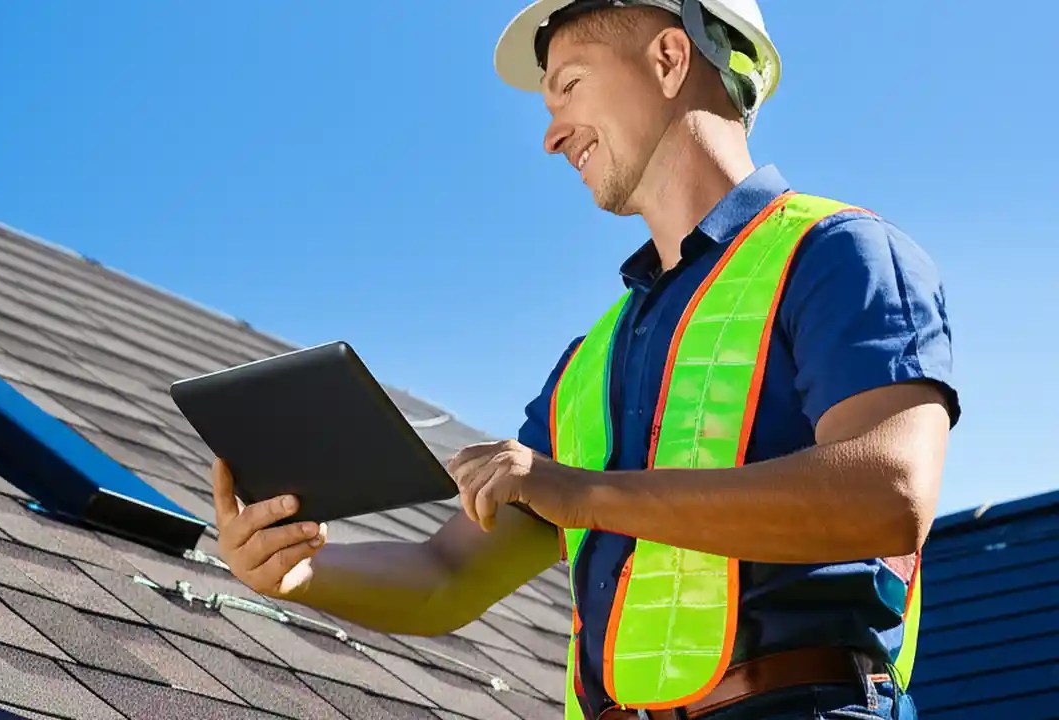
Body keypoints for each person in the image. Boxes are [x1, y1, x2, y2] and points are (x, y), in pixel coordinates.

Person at [211, 1, 958, 718]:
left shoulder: (836, 254)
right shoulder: (590, 361)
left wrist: (586, 494)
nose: (552, 134)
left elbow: (887, 494)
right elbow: (446, 578)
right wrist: (298, 571)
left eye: (569, 85)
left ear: (670, 58)